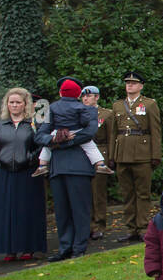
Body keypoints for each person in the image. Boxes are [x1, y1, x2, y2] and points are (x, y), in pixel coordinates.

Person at [34, 78, 101, 262]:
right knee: (79, 209)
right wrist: (66, 141)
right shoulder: (88, 109)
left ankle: (67, 247)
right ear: (78, 94)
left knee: (62, 210)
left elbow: (40, 135)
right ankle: (77, 247)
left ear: (61, 93)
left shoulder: (50, 109)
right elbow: (89, 133)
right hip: (78, 165)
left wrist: (56, 141)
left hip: (59, 165)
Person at [0, 88, 47, 261]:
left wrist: (31, 158)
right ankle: (9, 249)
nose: (14, 105)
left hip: (28, 172)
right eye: (11, 102)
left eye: (18, 102)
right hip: (5, 172)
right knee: (6, 210)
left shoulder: (33, 125)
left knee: (27, 209)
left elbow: (42, 145)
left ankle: (28, 248)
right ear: (6, 104)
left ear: (25, 104)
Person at [111, 71, 162, 241]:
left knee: (142, 193)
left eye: (133, 83)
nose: (130, 85)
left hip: (142, 154)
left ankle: (142, 227)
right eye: (127, 83)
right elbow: (113, 133)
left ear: (141, 86)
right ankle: (130, 228)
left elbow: (155, 131)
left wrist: (155, 155)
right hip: (122, 154)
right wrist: (112, 155)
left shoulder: (149, 104)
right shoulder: (118, 105)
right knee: (126, 193)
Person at [32, 77, 110, 176]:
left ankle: (42, 165)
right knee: (90, 146)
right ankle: (100, 164)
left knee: (89, 145)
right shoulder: (81, 108)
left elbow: (89, 133)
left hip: (80, 165)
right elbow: (40, 135)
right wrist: (53, 139)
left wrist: (61, 140)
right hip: (57, 166)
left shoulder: (53, 106)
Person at [81, 86, 114, 239]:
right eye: (83, 96)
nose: (86, 99)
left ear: (97, 97)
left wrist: (111, 157)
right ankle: (86, 224)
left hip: (100, 152)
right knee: (84, 192)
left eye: (89, 96)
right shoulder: (78, 113)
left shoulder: (106, 114)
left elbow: (111, 137)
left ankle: (99, 224)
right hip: (81, 154)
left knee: (98, 192)